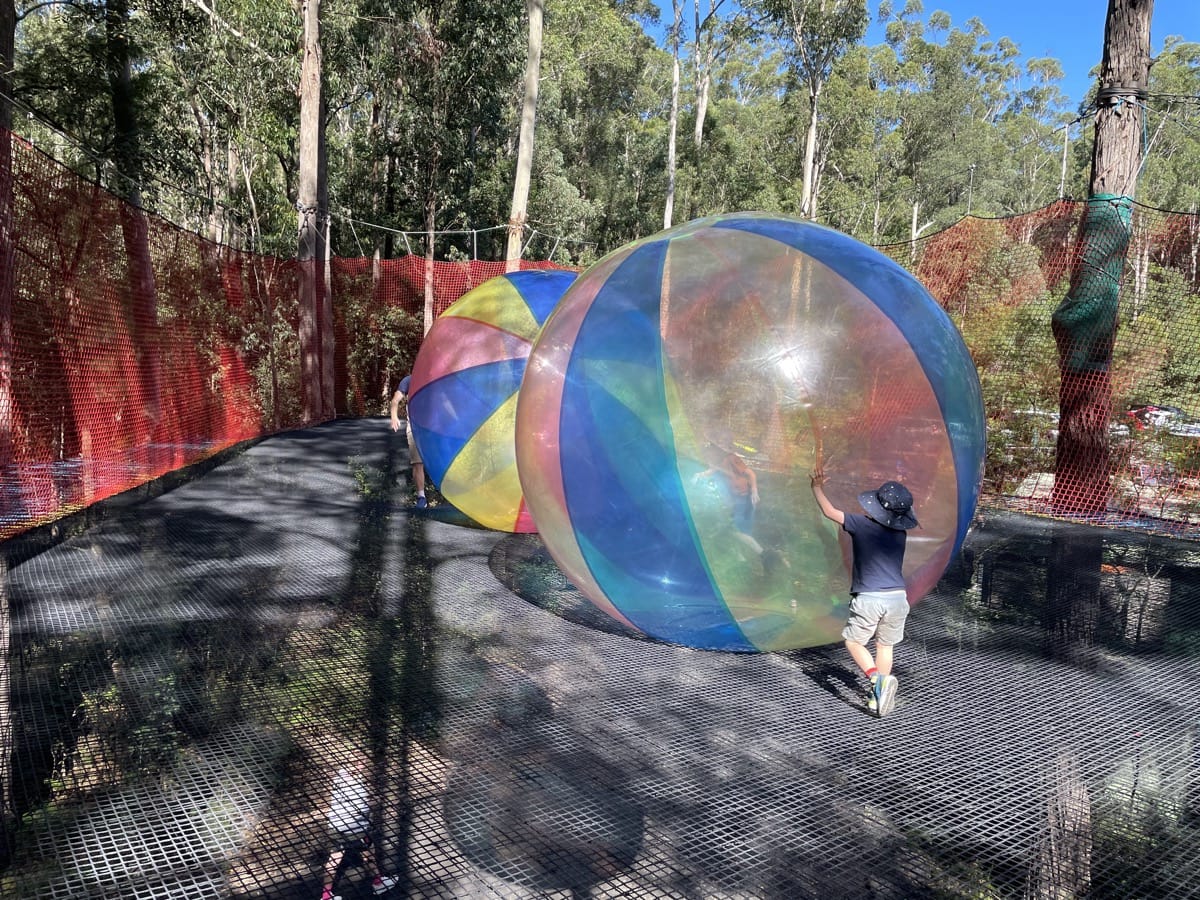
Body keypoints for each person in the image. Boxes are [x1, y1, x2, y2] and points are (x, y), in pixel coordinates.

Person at [809, 471, 918, 717]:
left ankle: (876, 680)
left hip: (870, 598)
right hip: (898, 598)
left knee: (853, 641)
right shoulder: (901, 535)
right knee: (884, 645)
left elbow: (830, 512)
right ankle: (878, 696)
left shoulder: (861, 524)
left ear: (875, 507)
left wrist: (816, 487)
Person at [320, 759, 398, 900]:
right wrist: (378, 801)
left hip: (335, 826)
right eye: (357, 763)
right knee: (369, 852)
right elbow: (362, 808)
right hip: (355, 829)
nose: (361, 765)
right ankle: (378, 883)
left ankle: (326, 895)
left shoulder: (340, 776)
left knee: (334, 859)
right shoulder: (357, 786)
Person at [389, 375, 427, 508]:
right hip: (415, 427)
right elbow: (395, 400)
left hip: (432, 426)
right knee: (417, 462)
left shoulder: (434, 376)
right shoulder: (409, 380)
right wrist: (394, 416)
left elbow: (445, 402)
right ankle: (421, 497)